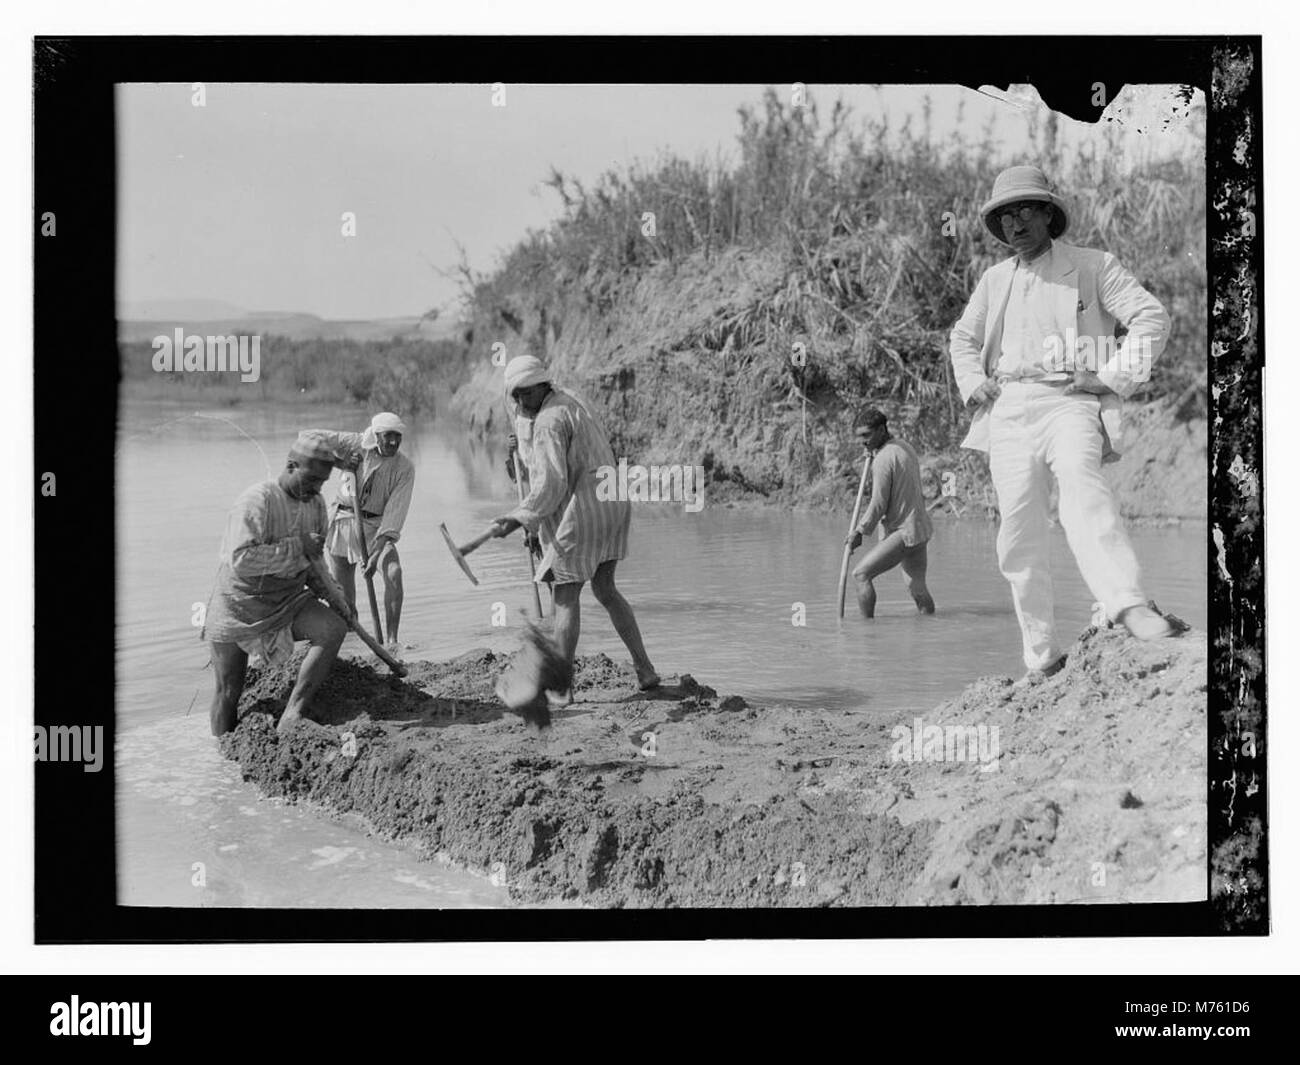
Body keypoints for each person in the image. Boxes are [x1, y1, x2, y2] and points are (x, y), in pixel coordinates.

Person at [948, 164, 1176, 677]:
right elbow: (963, 339)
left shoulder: (1093, 266)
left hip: (1069, 398)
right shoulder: (995, 280)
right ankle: (1042, 657)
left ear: (1049, 214)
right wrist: (972, 383)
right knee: (1018, 533)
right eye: (1006, 215)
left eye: (1026, 209)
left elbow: (1150, 317)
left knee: (1081, 487)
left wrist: (1110, 377)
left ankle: (1127, 604)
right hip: (1008, 407)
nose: (1016, 223)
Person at [490, 354, 659, 698]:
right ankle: (645, 670)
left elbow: (550, 484)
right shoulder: (570, 399)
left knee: (564, 597)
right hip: (613, 501)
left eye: (527, 393)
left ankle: (561, 686)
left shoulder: (549, 421)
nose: (522, 401)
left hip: (585, 508)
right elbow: (540, 468)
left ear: (542, 385)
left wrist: (522, 517)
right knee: (606, 589)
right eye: (516, 396)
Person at [201, 432, 354, 736]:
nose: (315, 489)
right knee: (228, 690)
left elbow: (315, 565)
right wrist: (296, 545)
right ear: (291, 465)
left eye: (322, 483)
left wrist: (337, 599)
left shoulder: (316, 506)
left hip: (287, 600)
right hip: (237, 604)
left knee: (333, 628)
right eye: (311, 480)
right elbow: (241, 560)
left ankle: (293, 712)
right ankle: (219, 759)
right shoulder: (257, 500)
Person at [312, 412, 415, 646]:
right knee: (345, 603)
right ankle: (352, 650)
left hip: (375, 530)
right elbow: (309, 438)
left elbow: (394, 515)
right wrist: (341, 464)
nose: (393, 442)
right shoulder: (354, 444)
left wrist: (377, 552)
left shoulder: (405, 468)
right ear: (376, 435)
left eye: (397, 437)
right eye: (388, 436)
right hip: (343, 523)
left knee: (394, 574)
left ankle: (391, 642)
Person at [844, 409, 936, 618]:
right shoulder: (904, 447)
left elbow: (878, 504)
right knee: (917, 588)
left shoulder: (883, 459)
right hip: (920, 529)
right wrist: (875, 452)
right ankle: (930, 624)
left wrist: (860, 531)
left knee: (861, 575)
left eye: (867, 436)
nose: (863, 442)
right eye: (860, 437)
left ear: (881, 430)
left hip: (904, 532)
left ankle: (867, 631)